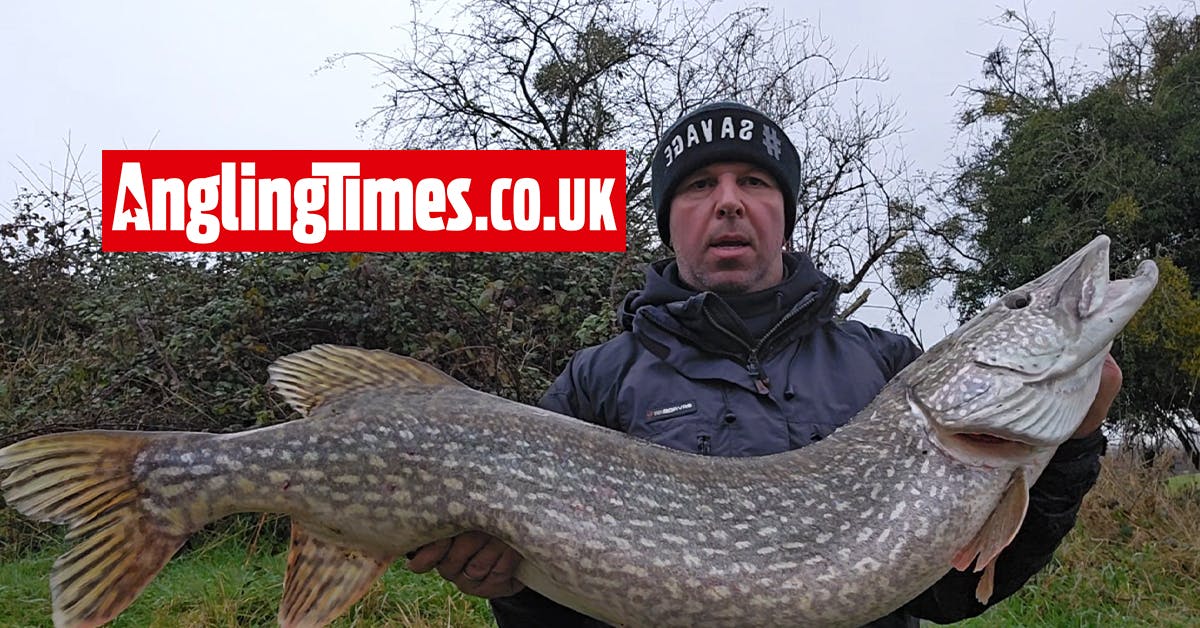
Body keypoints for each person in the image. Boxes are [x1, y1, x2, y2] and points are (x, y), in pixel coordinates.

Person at [406, 101, 1119, 627]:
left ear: (784, 211)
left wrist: (1075, 442)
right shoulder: (597, 380)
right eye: (697, 186)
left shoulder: (887, 368)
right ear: (668, 218)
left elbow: (954, 594)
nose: (727, 204)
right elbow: (560, 608)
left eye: (754, 181)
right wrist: (511, 587)